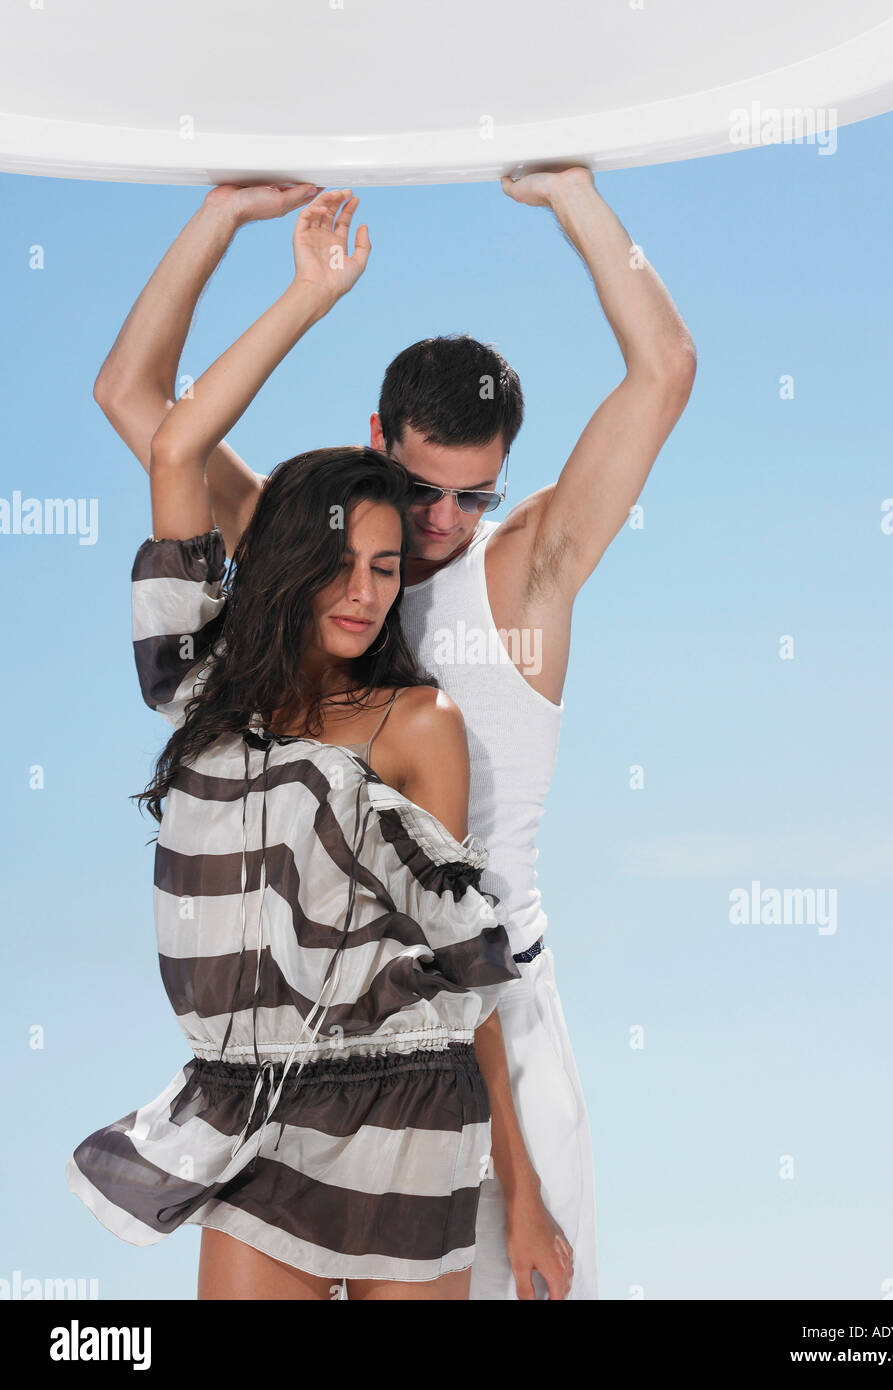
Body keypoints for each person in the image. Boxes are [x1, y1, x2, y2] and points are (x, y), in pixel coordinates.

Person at [92, 172, 697, 1299]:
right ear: (380, 441)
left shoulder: (523, 573)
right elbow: (140, 402)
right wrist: (221, 218)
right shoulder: (306, 541)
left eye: (474, 497)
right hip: (316, 1037)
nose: (442, 525)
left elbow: (665, 373)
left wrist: (573, 197)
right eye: (425, 490)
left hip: (490, 1006)